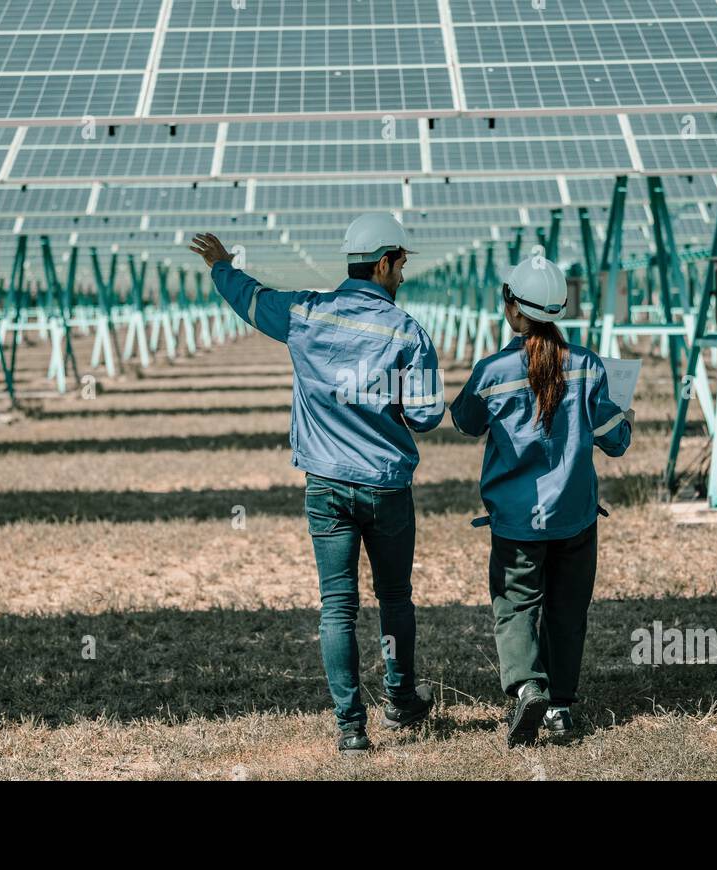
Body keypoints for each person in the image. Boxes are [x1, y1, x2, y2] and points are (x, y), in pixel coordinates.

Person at [189, 214, 444, 755]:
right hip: (386, 486)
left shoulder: (306, 312)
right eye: (401, 264)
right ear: (384, 263)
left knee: (337, 607)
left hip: (326, 484)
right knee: (395, 597)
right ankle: (401, 700)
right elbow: (425, 416)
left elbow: (253, 300)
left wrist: (221, 266)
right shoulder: (408, 332)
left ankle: (351, 728)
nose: (402, 275)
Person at [449, 255, 633, 748]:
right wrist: (623, 414)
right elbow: (616, 441)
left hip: (515, 521)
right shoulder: (590, 366)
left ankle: (529, 684)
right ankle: (560, 710)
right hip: (575, 517)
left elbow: (464, 421)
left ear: (512, 308)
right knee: (567, 612)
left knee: (516, 608)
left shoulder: (493, 371)